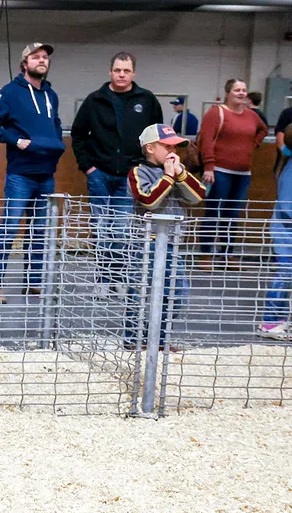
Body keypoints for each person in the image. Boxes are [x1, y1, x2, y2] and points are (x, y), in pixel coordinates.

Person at [71, 52, 164, 298]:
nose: (121, 74)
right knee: (102, 229)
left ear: (134, 73)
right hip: (100, 174)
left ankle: (119, 277)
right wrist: (88, 167)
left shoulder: (147, 100)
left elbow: (157, 137)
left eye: (126, 70)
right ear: (110, 72)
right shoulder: (95, 100)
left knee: (122, 230)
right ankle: (102, 277)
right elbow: (78, 135)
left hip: (131, 176)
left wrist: (147, 168)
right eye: (117, 70)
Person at [0, 42, 66, 304]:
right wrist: (15, 140)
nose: (42, 60)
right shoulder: (10, 92)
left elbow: (56, 125)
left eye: (45, 57)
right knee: (9, 228)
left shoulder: (51, 95)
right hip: (20, 174)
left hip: (46, 174)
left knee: (39, 230)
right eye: (36, 57)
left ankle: (33, 282)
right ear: (24, 63)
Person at [125, 124, 206, 350]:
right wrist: (168, 177)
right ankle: (133, 340)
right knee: (140, 292)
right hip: (145, 242)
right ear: (150, 148)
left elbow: (198, 195)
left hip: (172, 242)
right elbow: (149, 200)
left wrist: (178, 174)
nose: (174, 152)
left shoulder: (177, 171)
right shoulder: (138, 172)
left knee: (177, 291)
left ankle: (158, 341)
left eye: (176, 147)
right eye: (167, 146)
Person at [197, 79, 267, 269]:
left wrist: (254, 144)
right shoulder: (215, 113)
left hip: (243, 173)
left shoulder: (252, 116)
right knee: (214, 212)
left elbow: (263, 129)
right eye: (237, 90)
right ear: (228, 93)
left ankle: (227, 254)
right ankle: (206, 255)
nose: (241, 93)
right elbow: (206, 140)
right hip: (219, 172)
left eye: (244, 90)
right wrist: (209, 166)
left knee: (232, 215)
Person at [257, 129, 292, 340]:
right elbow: (288, 207)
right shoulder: (289, 172)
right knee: (285, 273)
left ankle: (278, 320)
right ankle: (271, 321)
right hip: (286, 233)